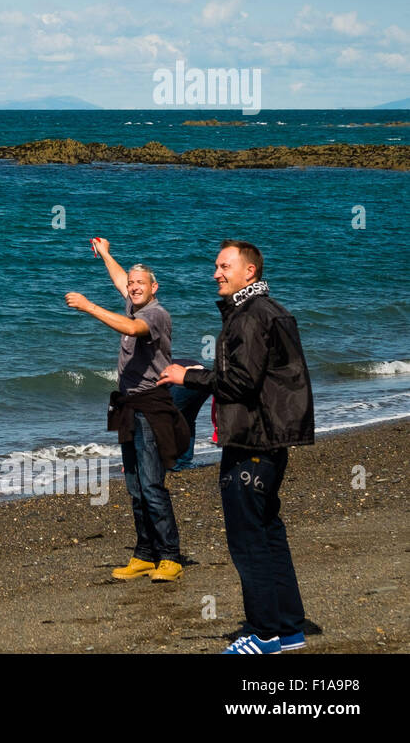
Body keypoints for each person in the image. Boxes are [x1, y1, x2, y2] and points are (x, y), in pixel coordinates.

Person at [158, 240, 313, 655]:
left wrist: (188, 376)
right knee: (268, 532)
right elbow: (261, 377)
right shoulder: (270, 311)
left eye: (224, 266)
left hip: (252, 441)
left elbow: (242, 383)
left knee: (248, 540)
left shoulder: (251, 317)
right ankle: (289, 628)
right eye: (215, 266)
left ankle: (265, 636)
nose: (216, 274)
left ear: (250, 272)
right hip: (269, 439)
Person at [66, 237, 187, 583]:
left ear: (154, 287)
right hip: (127, 405)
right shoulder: (136, 302)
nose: (133, 288)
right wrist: (105, 254)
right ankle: (145, 554)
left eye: (140, 284)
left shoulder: (155, 314)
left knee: (151, 485)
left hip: (151, 406)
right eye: (131, 285)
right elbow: (121, 280)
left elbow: (131, 328)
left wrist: (90, 307)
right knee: (134, 486)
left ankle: (170, 556)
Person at [169, 358, 211, 470]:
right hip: (205, 379)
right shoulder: (159, 363)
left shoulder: (144, 375)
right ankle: (184, 461)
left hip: (187, 379)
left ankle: (173, 463)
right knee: (188, 420)